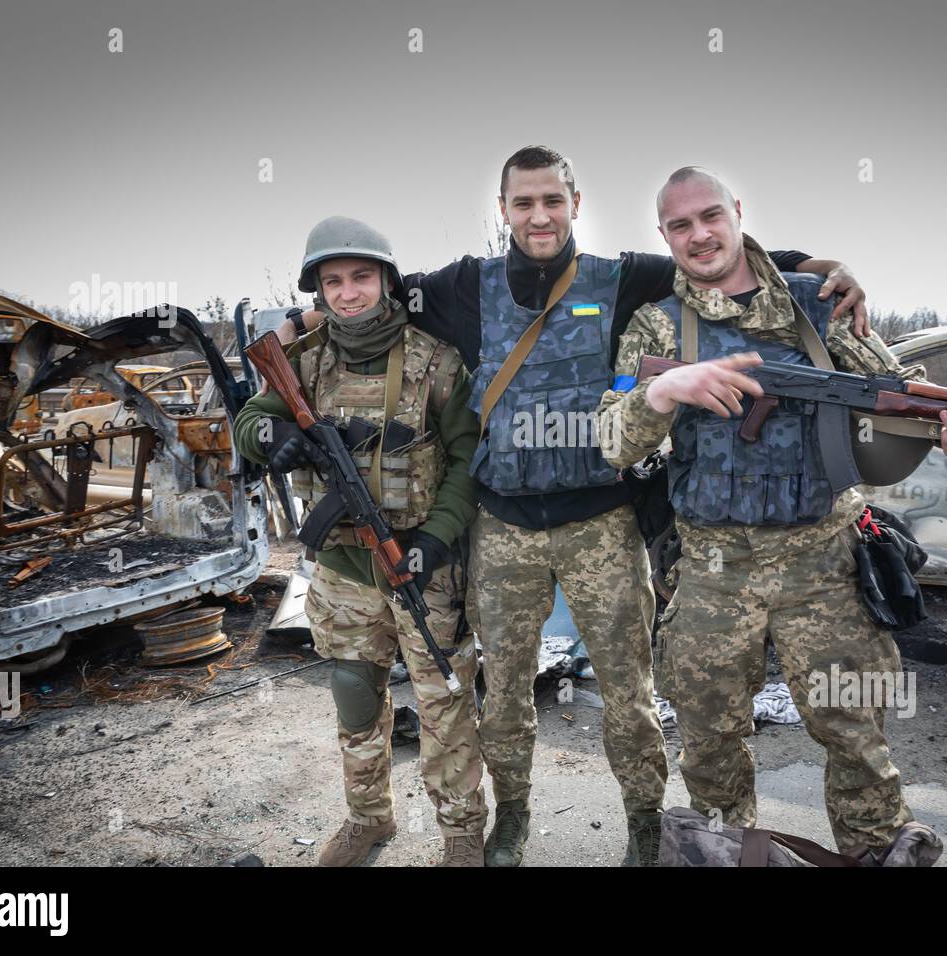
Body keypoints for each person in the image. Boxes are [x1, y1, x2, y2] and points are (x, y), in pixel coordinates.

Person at [278, 147, 871, 867]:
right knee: (504, 699)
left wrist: (822, 266)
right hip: (503, 526)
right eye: (523, 203)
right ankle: (514, 819)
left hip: (602, 525)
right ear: (503, 210)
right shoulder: (464, 285)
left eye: (551, 201)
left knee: (631, 696)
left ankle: (645, 825)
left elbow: (729, 262)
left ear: (575, 203)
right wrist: (297, 324)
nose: (538, 216)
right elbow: (369, 300)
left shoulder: (623, 280)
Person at [596, 167, 947, 864]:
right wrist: (665, 393)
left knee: (855, 731)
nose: (699, 235)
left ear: (738, 214)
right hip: (714, 568)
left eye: (710, 216)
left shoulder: (821, 303)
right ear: (664, 236)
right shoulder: (657, 324)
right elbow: (612, 444)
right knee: (711, 737)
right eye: (680, 226)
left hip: (825, 559)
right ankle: (728, 854)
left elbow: (890, 401)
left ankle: (876, 852)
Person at [234, 217, 486, 866]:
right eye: (334, 281)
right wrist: (270, 439)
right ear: (318, 289)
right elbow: (252, 420)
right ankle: (369, 818)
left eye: (362, 278)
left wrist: (438, 535)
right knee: (352, 686)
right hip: (344, 568)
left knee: (444, 704)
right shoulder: (304, 363)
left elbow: (466, 460)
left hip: (422, 567)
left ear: (387, 281)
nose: (349, 293)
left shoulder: (435, 360)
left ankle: (461, 834)